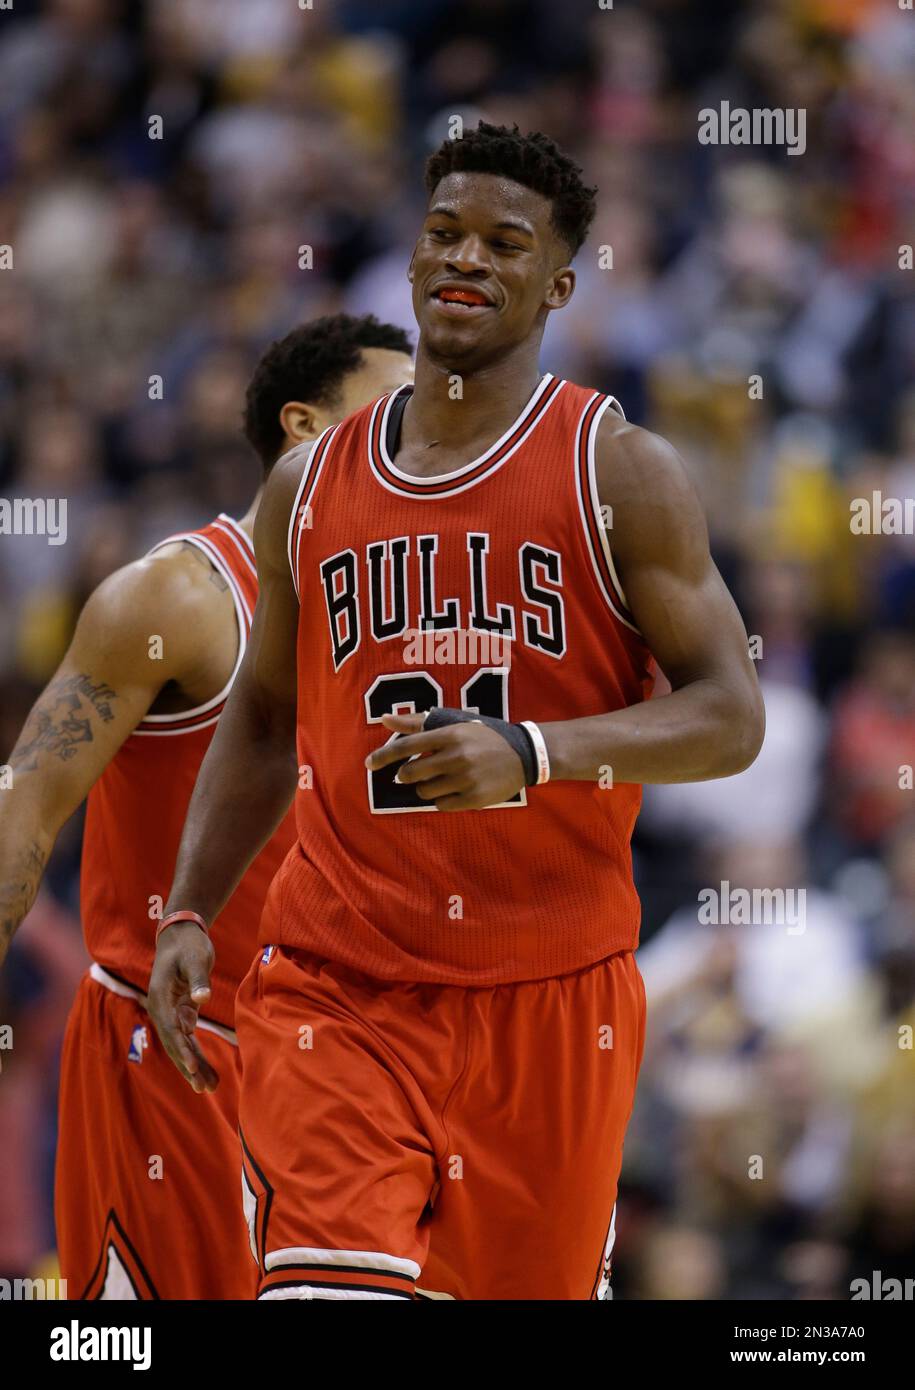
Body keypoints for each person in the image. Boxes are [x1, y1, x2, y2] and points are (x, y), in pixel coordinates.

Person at [149, 123, 764, 1301]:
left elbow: (732, 715)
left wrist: (535, 751)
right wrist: (190, 905)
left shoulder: (616, 468)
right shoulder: (309, 482)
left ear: (560, 282)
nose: (464, 259)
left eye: (503, 241)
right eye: (442, 234)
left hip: (553, 995)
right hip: (341, 980)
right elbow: (268, 715)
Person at [0, 314, 414, 1299]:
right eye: (397, 416)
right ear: (305, 429)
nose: (427, 443)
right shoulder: (180, 598)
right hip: (176, 1055)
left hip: (346, 1071)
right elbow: (27, 800)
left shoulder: (418, 614)